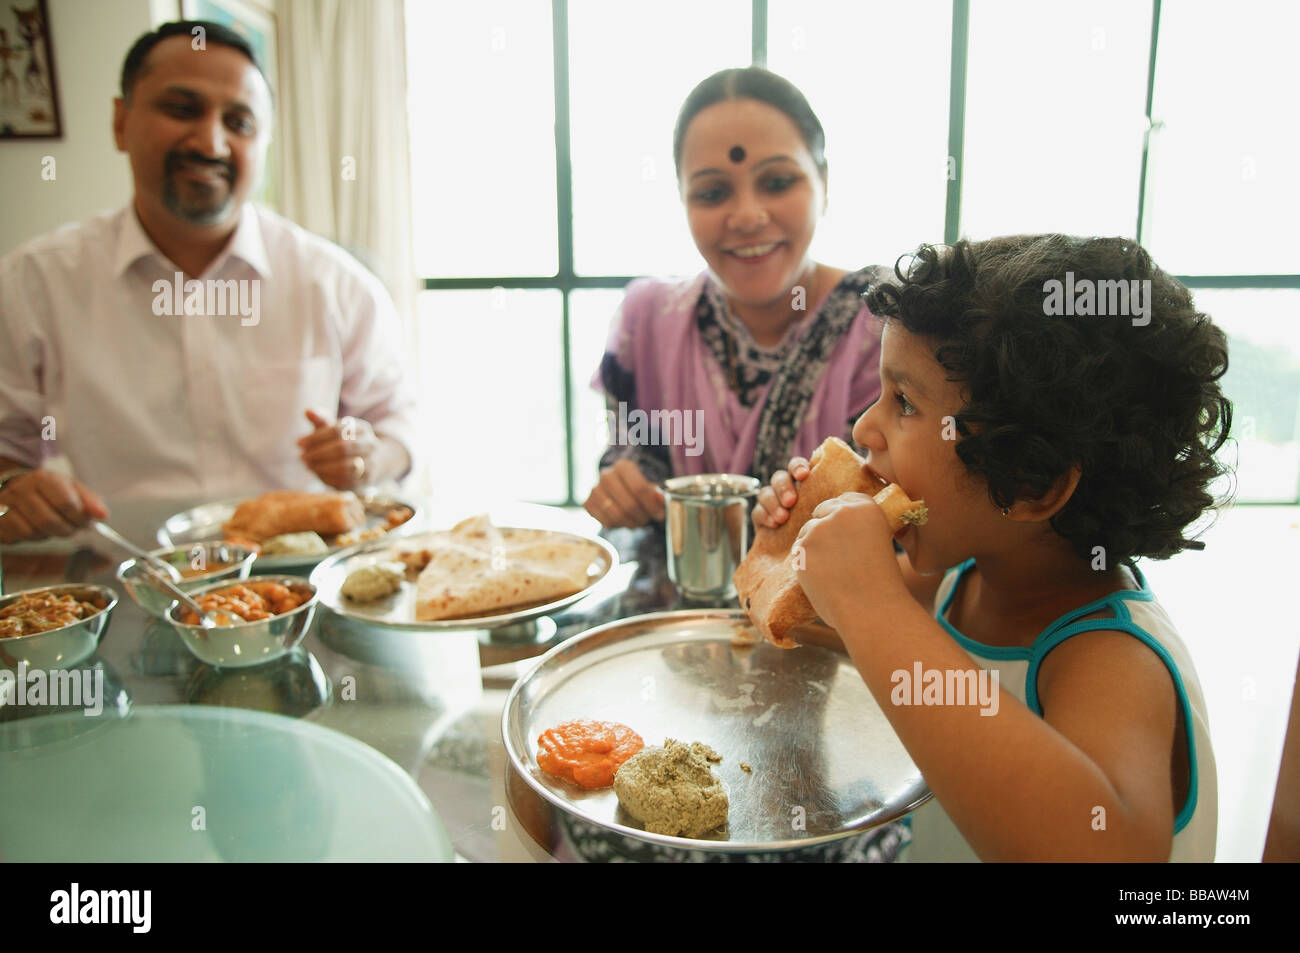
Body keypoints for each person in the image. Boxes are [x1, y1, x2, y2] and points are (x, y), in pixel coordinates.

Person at [753, 235, 1230, 861]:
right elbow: (823, 637)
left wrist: (871, 602)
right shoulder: (960, 581)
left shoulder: (1110, 658)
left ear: (1030, 482)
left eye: (903, 402)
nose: (864, 427)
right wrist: (785, 558)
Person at [0, 21, 417, 544]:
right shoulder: (33, 283)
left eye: (239, 121)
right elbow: (8, 447)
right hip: (126, 576)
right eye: (182, 109)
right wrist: (15, 487)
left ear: (262, 144)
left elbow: (400, 427)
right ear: (120, 122)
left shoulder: (336, 284)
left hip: (302, 581)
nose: (210, 141)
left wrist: (370, 453)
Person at [585, 67, 884, 529]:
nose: (747, 216)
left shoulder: (883, 324)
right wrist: (623, 489)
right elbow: (634, 455)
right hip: (681, 598)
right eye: (712, 192)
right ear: (682, 200)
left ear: (823, 182)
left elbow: (903, 514)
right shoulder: (647, 321)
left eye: (778, 182)